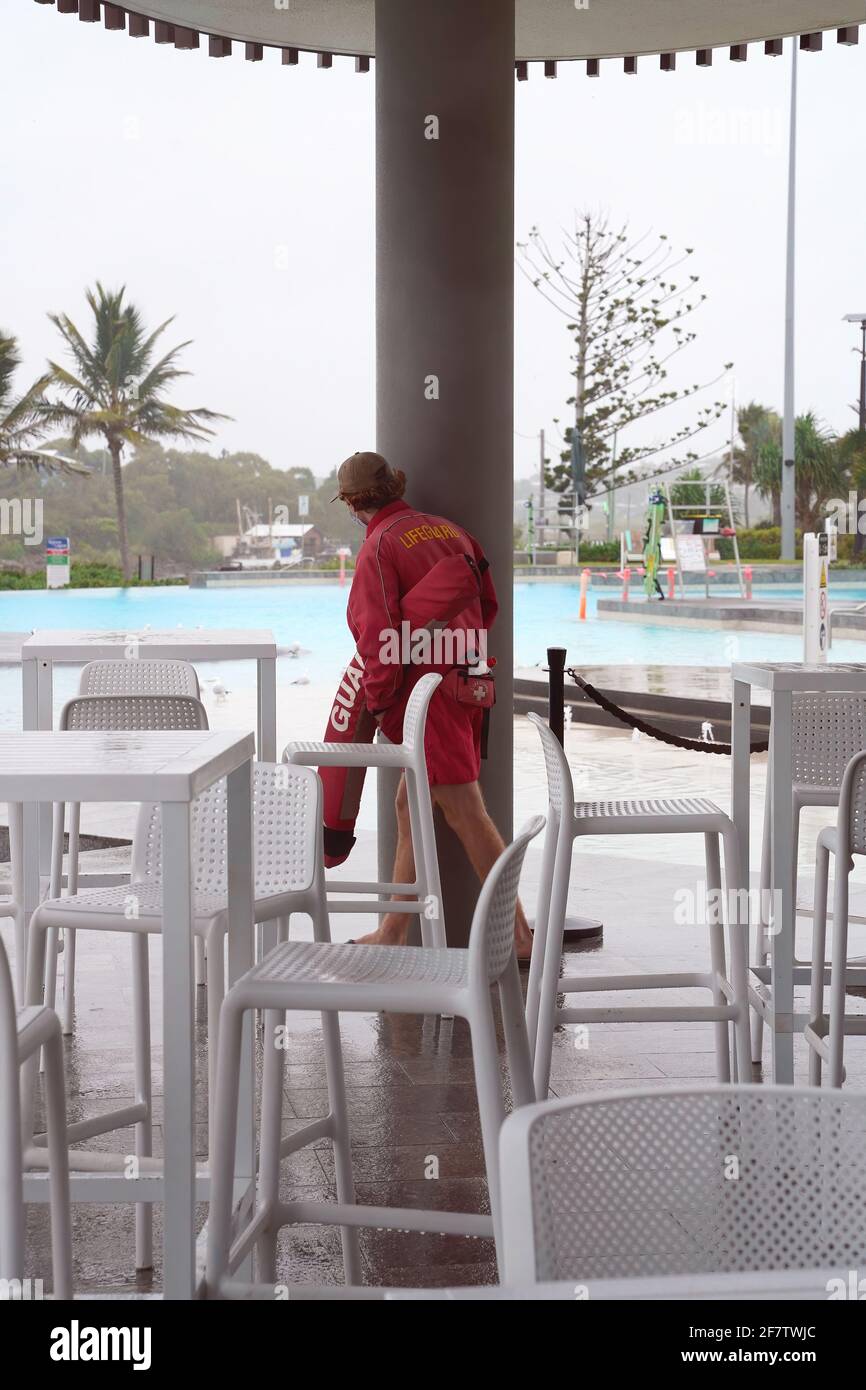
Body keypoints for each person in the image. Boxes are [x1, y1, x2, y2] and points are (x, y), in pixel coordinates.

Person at [333, 450, 532, 960]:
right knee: (411, 806)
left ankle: (523, 936)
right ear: (394, 486)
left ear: (354, 502)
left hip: (427, 698)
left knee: (465, 809)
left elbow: (377, 637)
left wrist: (381, 706)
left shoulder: (378, 546)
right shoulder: (449, 530)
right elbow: (488, 605)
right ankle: (394, 931)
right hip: (469, 682)